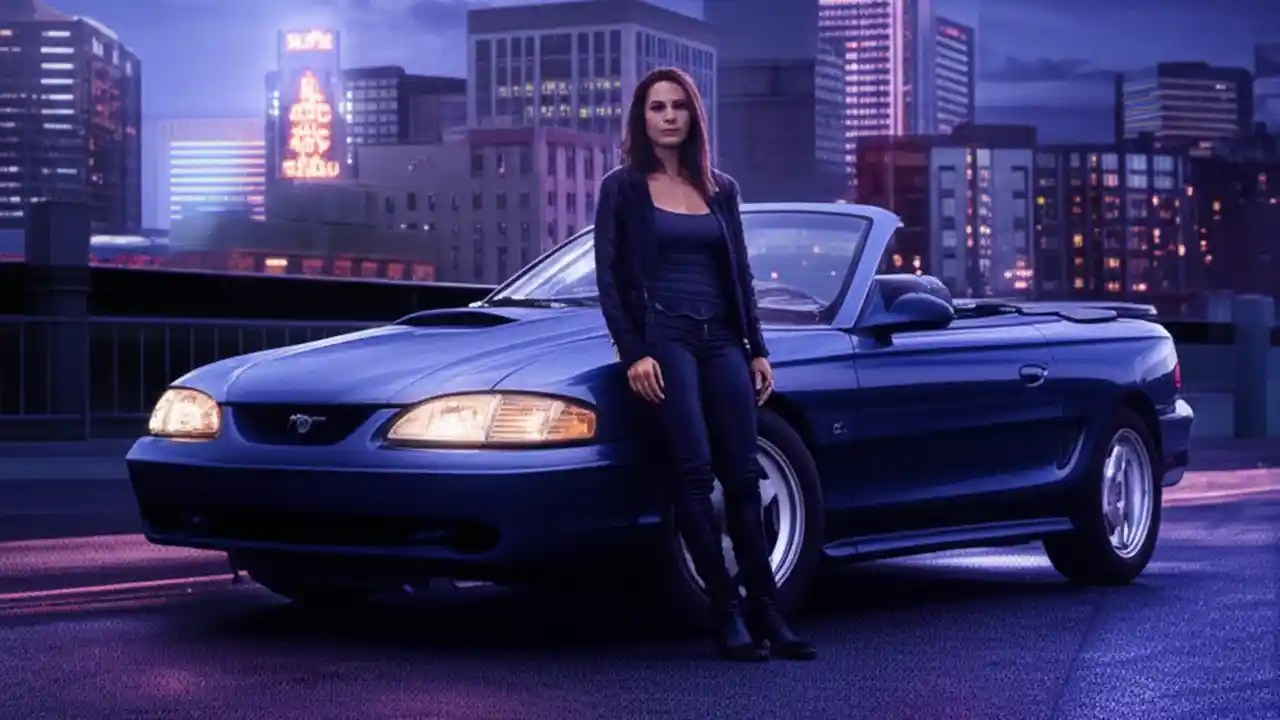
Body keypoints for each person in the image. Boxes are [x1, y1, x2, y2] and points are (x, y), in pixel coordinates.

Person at [592, 67, 816, 662]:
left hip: (723, 339)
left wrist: (758, 347)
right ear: (641, 119)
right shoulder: (622, 187)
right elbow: (609, 278)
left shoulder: (721, 189)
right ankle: (726, 611)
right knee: (694, 474)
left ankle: (769, 613)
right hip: (665, 338)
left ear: (693, 116)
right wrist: (632, 350)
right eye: (656, 107)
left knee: (742, 475)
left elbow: (739, 272)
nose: (668, 116)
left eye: (678, 107)